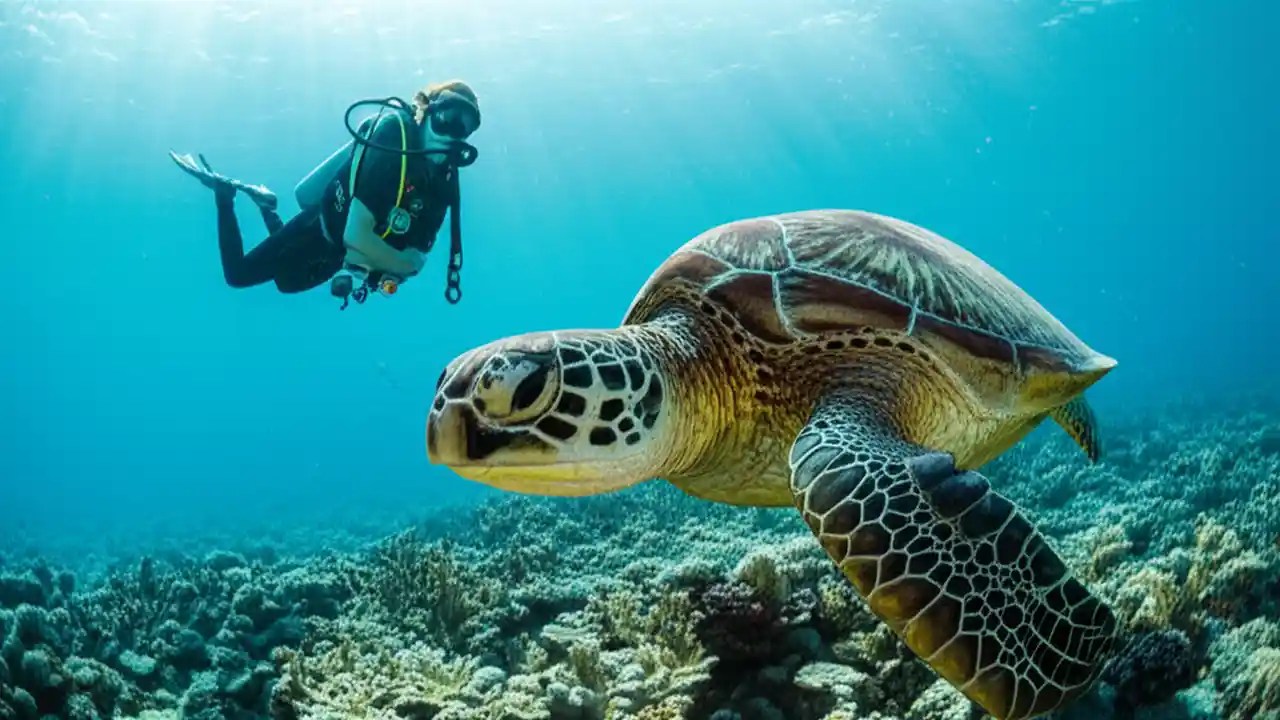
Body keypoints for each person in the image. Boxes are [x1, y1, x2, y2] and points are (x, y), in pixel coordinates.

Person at [170, 80, 482, 309]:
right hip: (321, 226)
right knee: (237, 276)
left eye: (466, 125)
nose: (455, 132)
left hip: (341, 254)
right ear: (425, 112)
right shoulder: (392, 136)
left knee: (287, 283)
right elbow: (362, 236)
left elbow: (419, 255)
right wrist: (401, 263)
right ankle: (225, 195)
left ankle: (267, 206)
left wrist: (398, 264)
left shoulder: (443, 181)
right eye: (449, 117)